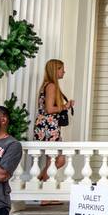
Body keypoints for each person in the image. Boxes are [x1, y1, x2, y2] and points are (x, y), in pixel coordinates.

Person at [34, 58, 73, 186]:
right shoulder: (51, 86)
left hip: (45, 125)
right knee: (59, 159)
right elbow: (50, 109)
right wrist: (65, 106)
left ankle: (38, 187)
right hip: (49, 127)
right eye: (61, 68)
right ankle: (42, 190)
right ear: (55, 70)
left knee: (51, 160)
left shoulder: (46, 85)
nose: (64, 71)